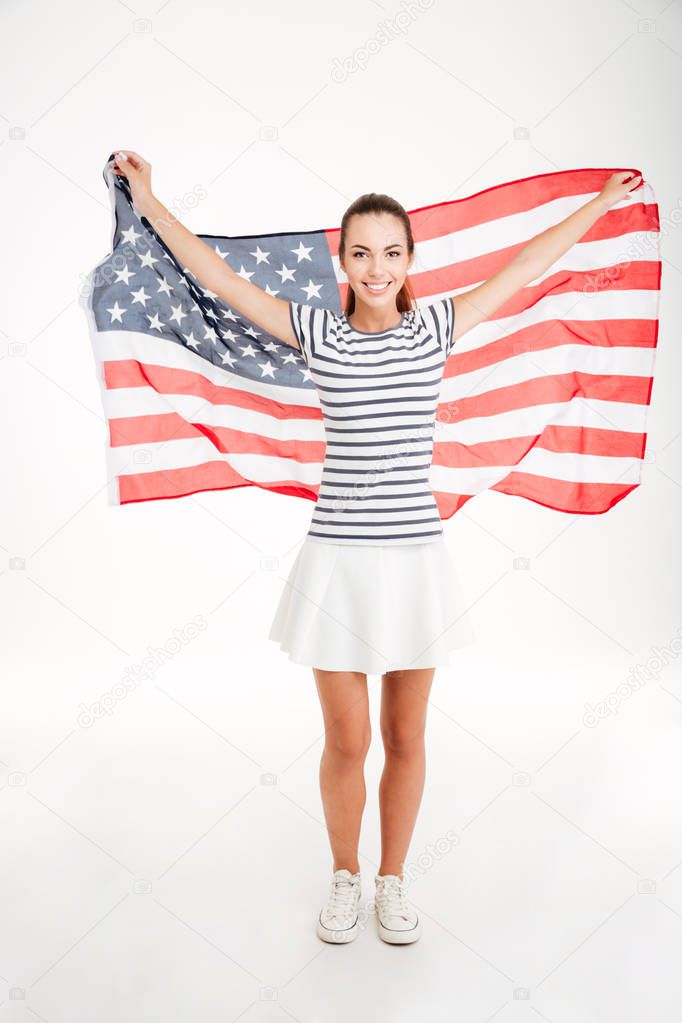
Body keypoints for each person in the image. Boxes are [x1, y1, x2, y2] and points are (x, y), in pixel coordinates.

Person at [109, 151, 642, 944]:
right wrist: (149, 198)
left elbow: (527, 264)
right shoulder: (318, 331)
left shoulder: (436, 327)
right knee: (347, 740)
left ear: (410, 260)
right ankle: (345, 876)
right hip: (338, 565)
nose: (377, 266)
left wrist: (598, 205)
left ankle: (393, 881)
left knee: (404, 736)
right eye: (361, 252)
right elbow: (219, 278)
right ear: (343, 261)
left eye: (392, 251)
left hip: (415, 563)